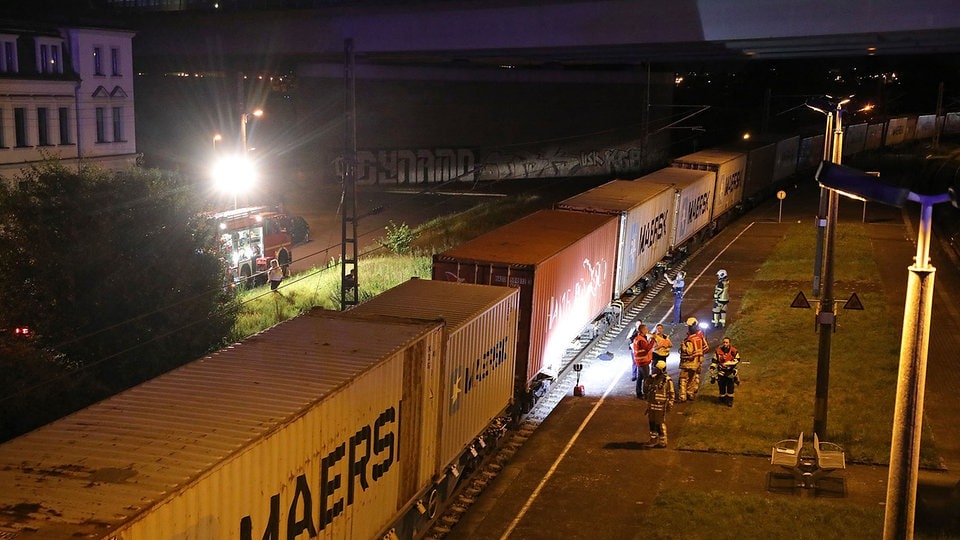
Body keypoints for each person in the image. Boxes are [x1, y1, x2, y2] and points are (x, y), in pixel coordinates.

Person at [645, 360, 675, 448]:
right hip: (652, 405)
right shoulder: (654, 378)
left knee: (660, 423)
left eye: (657, 369)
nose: (655, 370)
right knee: (652, 423)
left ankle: (663, 441)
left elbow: (671, 393)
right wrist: (649, 378)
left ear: (661, 370)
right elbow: (646, 386)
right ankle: (653, 439)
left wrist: (670, 404)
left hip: (660, 406)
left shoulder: (667, 380)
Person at [678, 317, 709, 402]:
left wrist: (683, 346)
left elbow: (689, 351)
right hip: (697, 362)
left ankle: (683, 396)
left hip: (687, 363)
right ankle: (690, 393)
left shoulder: (689, 340)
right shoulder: (700, 336)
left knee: (683, 379)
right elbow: (706, 348)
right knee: (693, 378)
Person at [710, 336, 741, 407]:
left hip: (730, 371)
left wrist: (728, 363)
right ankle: (722, 397)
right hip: (721, 371)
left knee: (730, 386)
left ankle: (730, 399)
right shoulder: (718, 351)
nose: (725, 344)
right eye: (724, 342)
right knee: (721, 385)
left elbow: (737, 359)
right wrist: (712, 368)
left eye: (726, 342)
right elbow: (715, 360)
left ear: (729, 343)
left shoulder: (734, 351)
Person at [631, 324, 653, 399]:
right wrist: (653, 340)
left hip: (639, 361)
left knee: (639, 378)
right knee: (646, 379)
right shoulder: (641, 340)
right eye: (646, 329)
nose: (647, 330)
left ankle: (639, 393)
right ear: (643, 330)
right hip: (643, 362)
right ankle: (646, 394)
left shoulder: (638, 338)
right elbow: (647, 348)